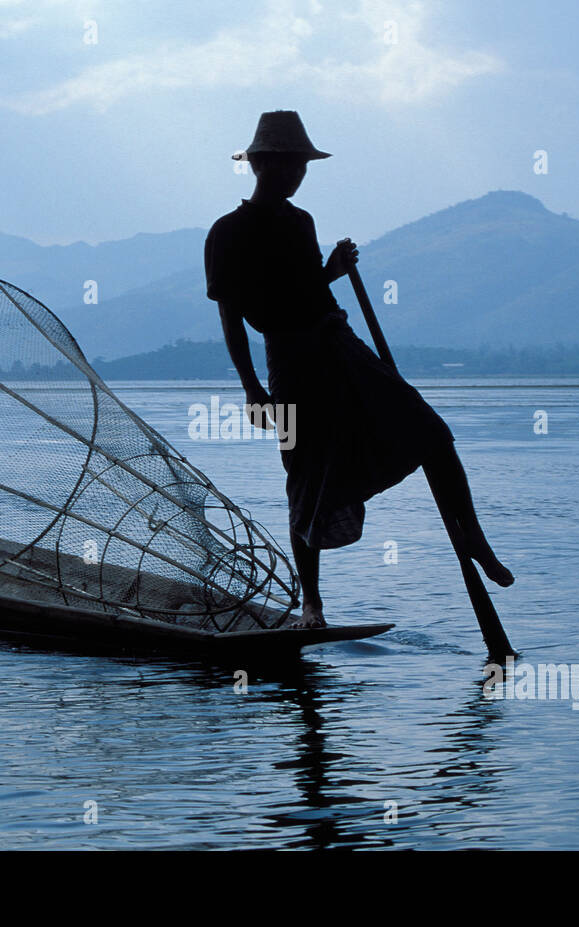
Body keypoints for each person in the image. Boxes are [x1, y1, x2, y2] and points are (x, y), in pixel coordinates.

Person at [203, 110, 513, 628]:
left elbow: (310, 290)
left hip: (341, 347)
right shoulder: (228, 233)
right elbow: (232, 320)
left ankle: (475, 538)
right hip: (290, 366)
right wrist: (252, 390)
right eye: (285, 164)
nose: (295, 174)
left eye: (300, 165)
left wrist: (333, 271)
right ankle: (312, 604)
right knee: (304, 479)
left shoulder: (302, 223)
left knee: (432, 432)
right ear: (258, 165)